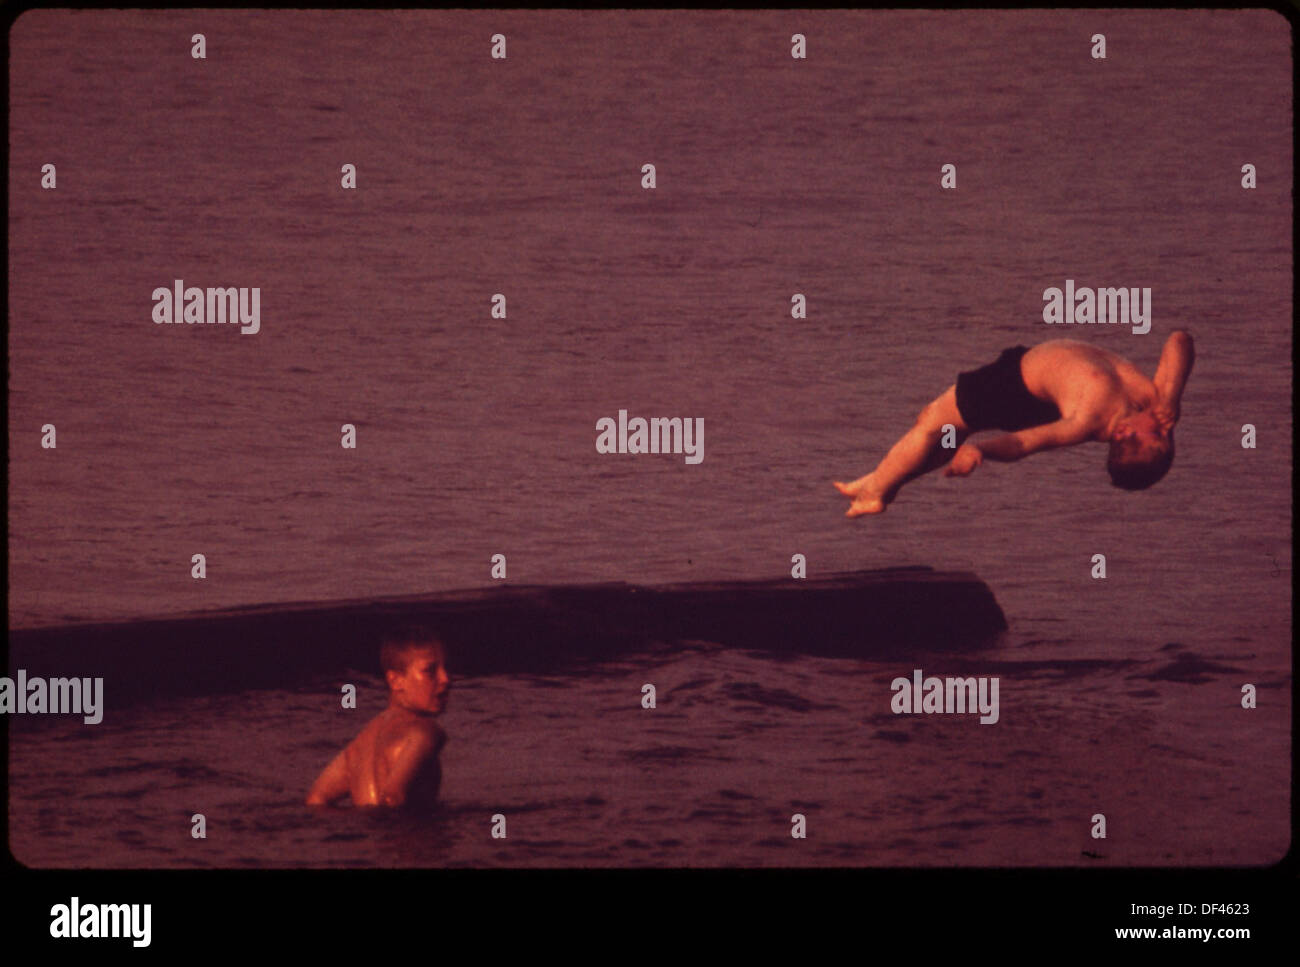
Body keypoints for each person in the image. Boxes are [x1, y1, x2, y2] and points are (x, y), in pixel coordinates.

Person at [834, 332, 1194, 515]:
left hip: (1011, 388)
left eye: (1160, 436)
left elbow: (1024, 444)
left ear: (1124, 433)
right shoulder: (1157, 402)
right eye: (1168, 438)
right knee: (950, 433)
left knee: (932, 423)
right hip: (1028, 379)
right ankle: (882, 481)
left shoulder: (1087, 420)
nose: (1167, 427)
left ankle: (876, 492)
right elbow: (1179, 340)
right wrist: (1172, 397)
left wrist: (981, 451)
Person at [306, 630, 449, 808]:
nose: (445, 679)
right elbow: (391, 798)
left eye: (446, 668)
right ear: (396, 681)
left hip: (370, 833)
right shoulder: (426, 732)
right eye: (430, 671)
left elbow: (316, 798)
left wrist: (360, 828)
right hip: (402, 833)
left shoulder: (360, 742)